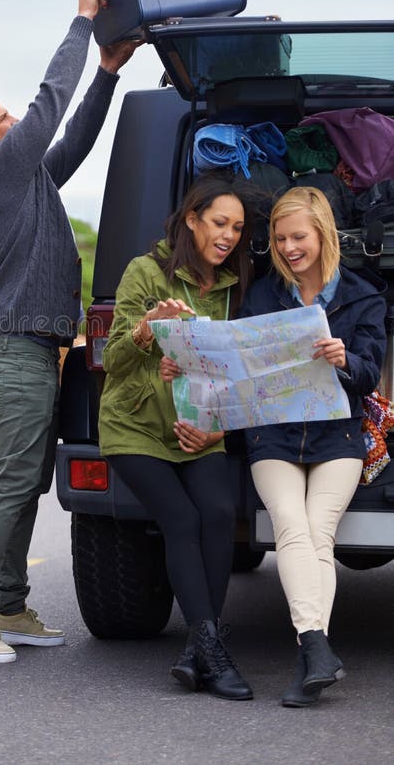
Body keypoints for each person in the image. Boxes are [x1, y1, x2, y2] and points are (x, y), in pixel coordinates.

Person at [0, 0, 140, 664]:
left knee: (28, 479)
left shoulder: (29, 178)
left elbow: (73, 136)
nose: (14, 110)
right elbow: (52, 104)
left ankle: (8, 603)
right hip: (14, 346)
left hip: (36, 346)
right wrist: (82, 25)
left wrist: (107, 73)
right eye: (0, 110)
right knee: (14, 479)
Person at [98, 172, 254, 700]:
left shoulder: (234, 287)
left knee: (219, 513)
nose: (228, 236)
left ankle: (198, 649)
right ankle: (214, 652)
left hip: (200, 426)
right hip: (137, 425)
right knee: (182, 519)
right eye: (219, 223)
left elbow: (237, 370)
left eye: (237, 227)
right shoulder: (145, 271)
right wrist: (147, 330)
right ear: (191, 219)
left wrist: (216, 430)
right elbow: (113, 359)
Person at [238, 186, 386, 707]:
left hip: (337, 437)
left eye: (298, 237)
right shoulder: (262, 297)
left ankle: (313, 655)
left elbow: (368, 376)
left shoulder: (364, 297)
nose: (288, 248)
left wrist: (346, 359)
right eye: (280, 239)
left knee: (318, 532)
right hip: (273, 435)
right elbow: (243, 368)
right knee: (291, 525)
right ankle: (316, 648)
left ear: (323, 234)